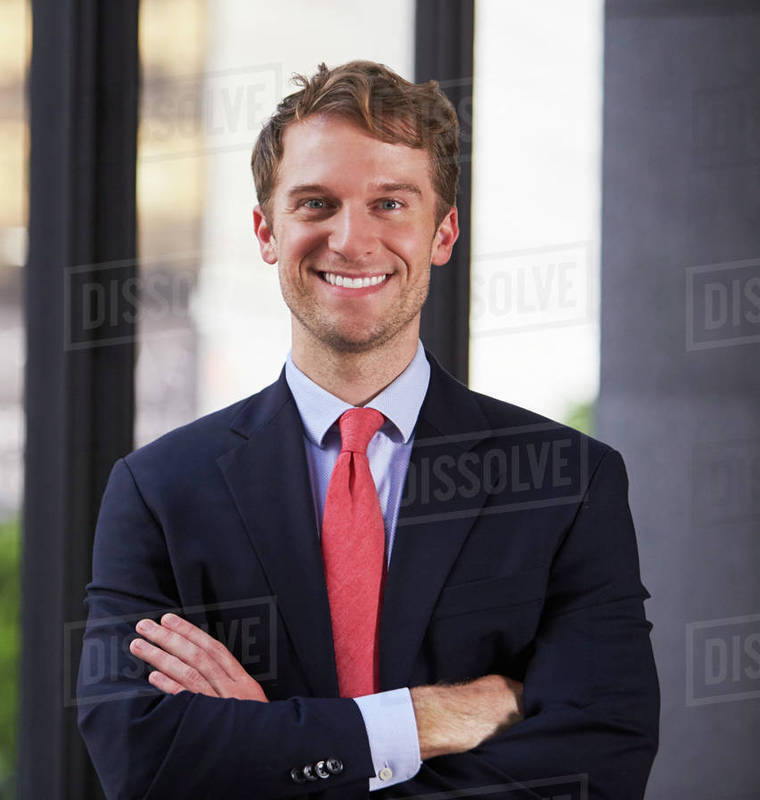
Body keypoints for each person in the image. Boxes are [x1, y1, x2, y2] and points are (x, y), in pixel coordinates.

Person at [75, 60, 659, 800]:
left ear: (443, 233)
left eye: (390, 203)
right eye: (316, 203)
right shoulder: (158, 493)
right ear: (266, 231)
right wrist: (423, 719)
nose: (351, 240)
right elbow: (142, 757)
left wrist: (274, 748)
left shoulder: (569, 483)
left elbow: (599, 765)